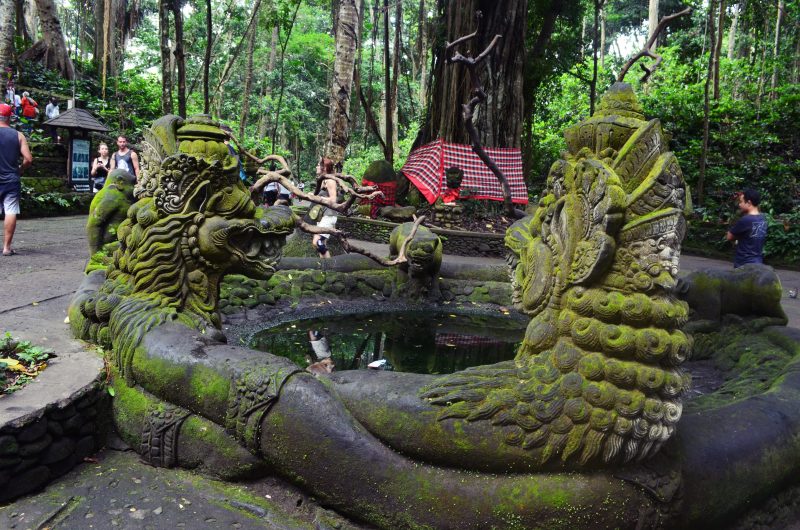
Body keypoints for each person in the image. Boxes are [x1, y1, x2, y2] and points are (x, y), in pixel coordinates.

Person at [0, 103, 33, 256]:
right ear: (9, 118)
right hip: (11, 179)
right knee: (10, 210)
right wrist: (19, 170)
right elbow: (28, 159)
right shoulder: (18, 135)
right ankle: (6, 248)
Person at [726, 188, 768, 268]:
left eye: (741, 202)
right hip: (758, 262)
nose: (739, 204)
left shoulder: (746, 220)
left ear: (749, 202)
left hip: (744, 263)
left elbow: (729, 237)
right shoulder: (763, 219)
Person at [312, 157, 339, 259]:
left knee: (317, 242)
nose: (316, 166)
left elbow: (333, 199)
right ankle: (325, 270)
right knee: (322, 243)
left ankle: (330, 267)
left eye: (318, 165)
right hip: (323, 216)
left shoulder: (330, 181)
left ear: (324, 167)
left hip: (329, 216)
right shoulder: (323, 181)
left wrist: (318, 198)